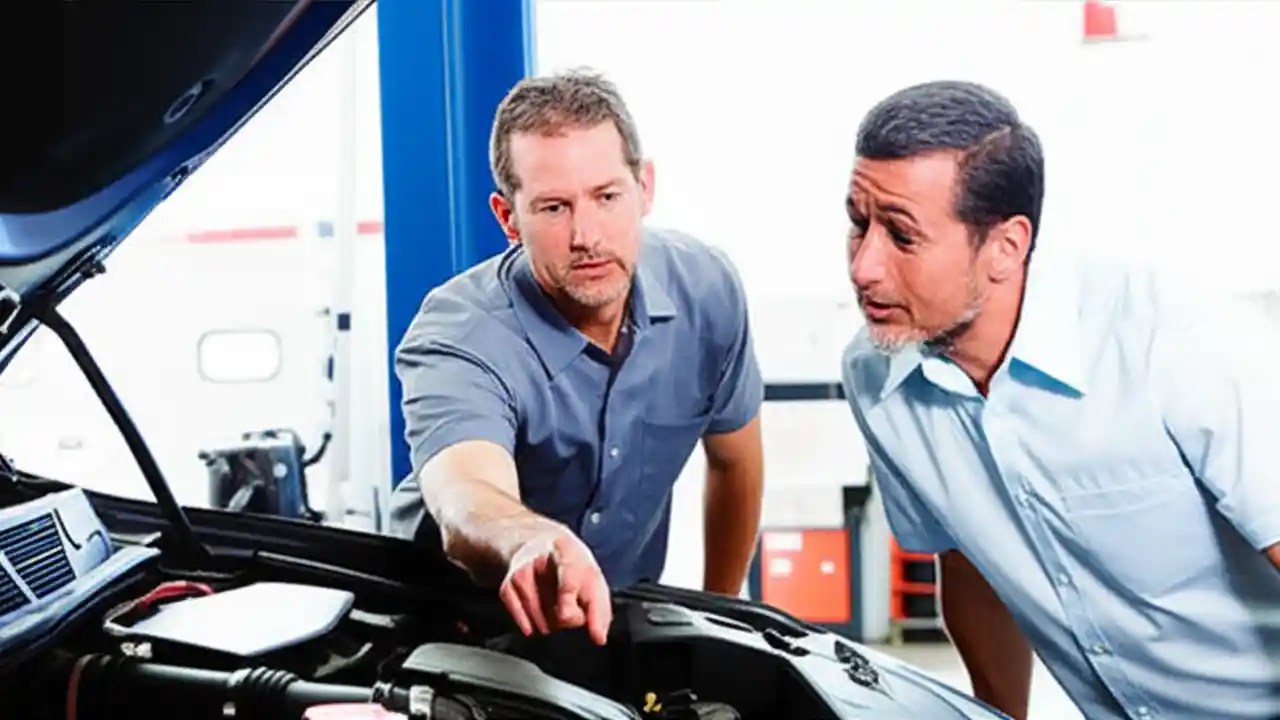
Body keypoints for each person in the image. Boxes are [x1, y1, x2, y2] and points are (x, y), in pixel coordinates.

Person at [839, 79, 1280, 720]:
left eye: (902, 237)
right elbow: (969, 562)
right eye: (858, 225)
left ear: (1005, 247)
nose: (863, 267)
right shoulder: (876, 376)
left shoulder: (1173, 339)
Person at [385, 68, 765, 647]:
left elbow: (736, 463)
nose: (587, 234)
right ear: (508, 218)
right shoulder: (458, 332)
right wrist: (531, 541)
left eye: (607, 197)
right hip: (452, 626)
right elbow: (465, 498)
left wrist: (717, 619)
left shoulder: (706, 292)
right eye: (554, 208)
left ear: (645, 187)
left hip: (610, 625)